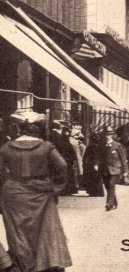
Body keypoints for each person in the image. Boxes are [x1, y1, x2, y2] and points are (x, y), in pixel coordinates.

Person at [0, 109, 71, 271]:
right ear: (36, 129)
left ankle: (24, 265)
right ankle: (44, 263)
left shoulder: (6, 148)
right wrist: (55, 187)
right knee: (43, 229)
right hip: (41, 191)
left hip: (13, 193)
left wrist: (4, 188)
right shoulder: (46, 147)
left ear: (20, 129)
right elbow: (62, 166)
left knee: (17, 231)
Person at [99, 126, 127, 211]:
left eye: (109, 134)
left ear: (112, 135)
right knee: (108, 186)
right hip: (105, 169)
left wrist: (125, 170)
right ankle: (114, 202)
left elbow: (123, 158)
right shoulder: (102, 145)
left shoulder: (117, 145)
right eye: (105, 134)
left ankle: (109, 204)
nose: (107, 136)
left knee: (111, 184)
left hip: (115, 169)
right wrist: (96, 164)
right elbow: (98, 156)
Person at [82, 131, 105, 197]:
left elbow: (86, 156)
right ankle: (99, 192)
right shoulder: (100, 147)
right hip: (98, 163)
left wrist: (85, 163)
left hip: (91, 163)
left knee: (92, 178)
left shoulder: (90, 147)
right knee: (98, 178)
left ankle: (93, 192)